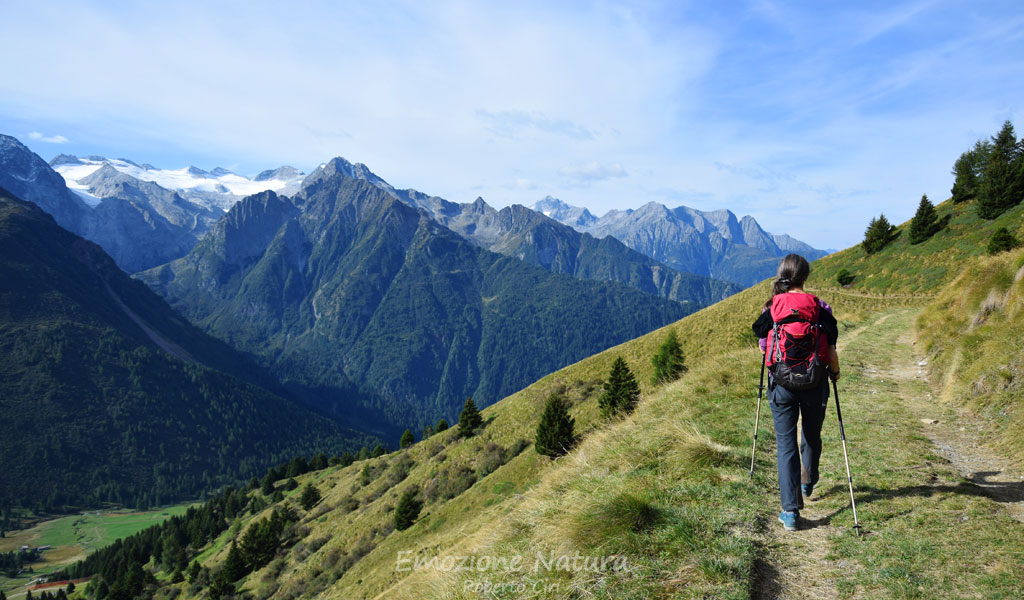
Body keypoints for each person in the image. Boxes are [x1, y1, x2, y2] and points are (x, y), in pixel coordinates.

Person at [752, 254, 840, 531]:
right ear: (806, 276)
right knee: (812, 435)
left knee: (786, 445)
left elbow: (764, 346)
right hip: (815, 382)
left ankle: (790, 511)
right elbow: (831, 346)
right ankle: (808, 479)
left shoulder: (773, 307)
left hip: (782, 385)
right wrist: (835, 373)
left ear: (782, 275)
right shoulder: (818, 306)